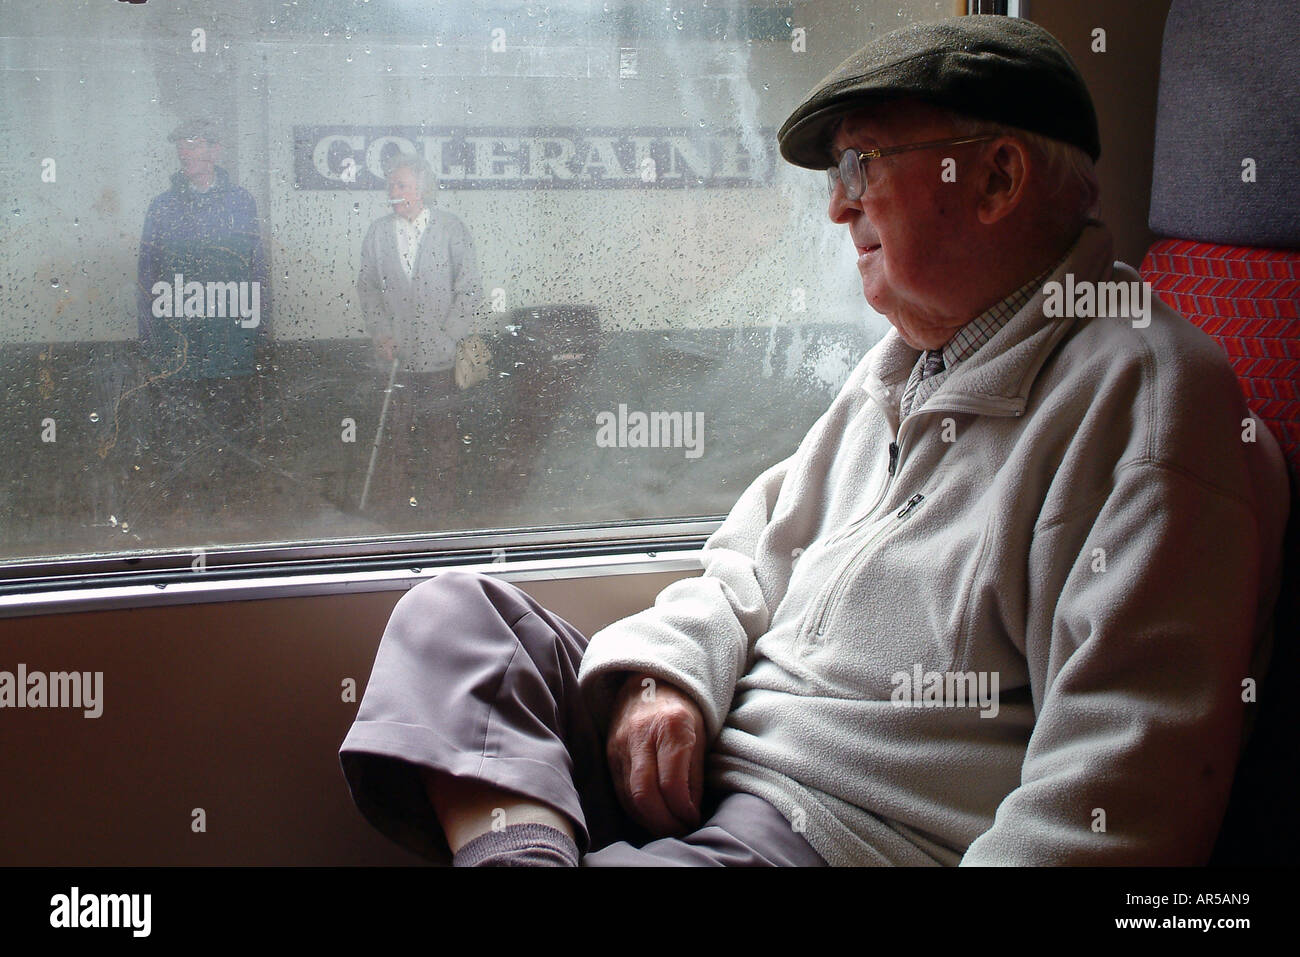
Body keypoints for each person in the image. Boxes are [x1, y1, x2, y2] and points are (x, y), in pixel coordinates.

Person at [339, 16, 1290, 866]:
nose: (838, 206)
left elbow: (1121, 788)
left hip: (830, 831)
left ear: (997, 176)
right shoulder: (904, 365)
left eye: (862, 166)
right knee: (455, 621)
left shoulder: (1151, 398)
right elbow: (749, 564)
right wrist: (664, 677)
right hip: (707, 762)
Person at [136, 116, 272, 518]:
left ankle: (228, 506)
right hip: (177, 341)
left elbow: (257, 270)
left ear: (215, 151)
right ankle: (186, 506)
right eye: (181, 143)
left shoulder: (241, 202)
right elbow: (147, 273)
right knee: (179, 425)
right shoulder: (162, 206)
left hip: (230, 340)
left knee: (230, 422)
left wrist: (259, 331)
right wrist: (148, 337)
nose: (184, 151)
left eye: (193, 143)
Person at [356, 152, 485, 520]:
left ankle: (441, 511)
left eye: (401, 185)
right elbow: (367, 288)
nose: (392, 191)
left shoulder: (451, 228)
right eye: (389, 184)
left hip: (442, 361)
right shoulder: (378, 232)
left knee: (442, 436)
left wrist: (449, 336)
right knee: (394, 436)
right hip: (395, 359)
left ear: (423, 188)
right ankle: (398, 513)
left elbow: (470, 289)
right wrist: (380, 333)